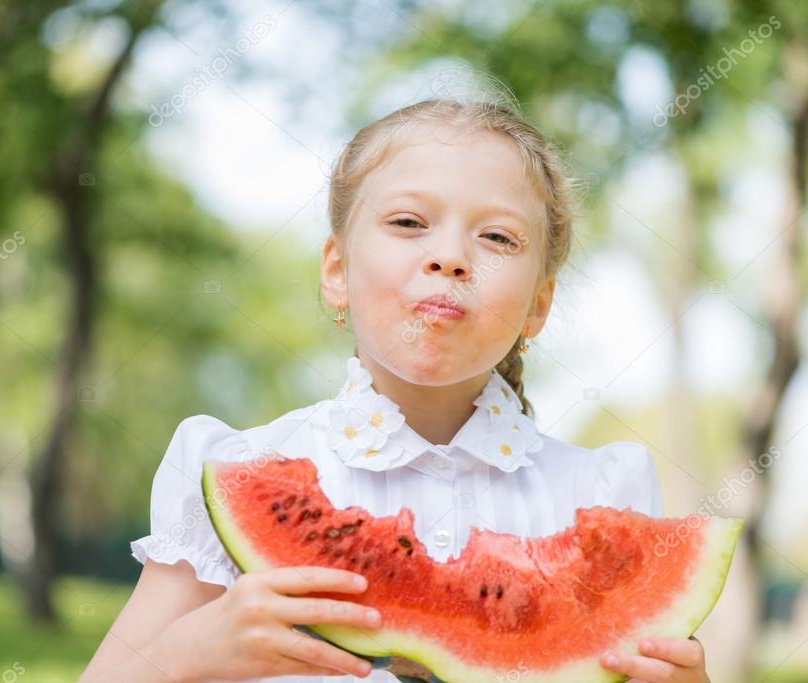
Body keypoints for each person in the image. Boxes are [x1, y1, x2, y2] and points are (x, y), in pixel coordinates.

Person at [79, 97, 710, 682]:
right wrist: (183, 654)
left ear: (537, 307)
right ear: (337, 272)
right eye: (409, 222)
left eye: (497, 237)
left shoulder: (598, 491)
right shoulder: (234, 467)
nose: (451, 256)